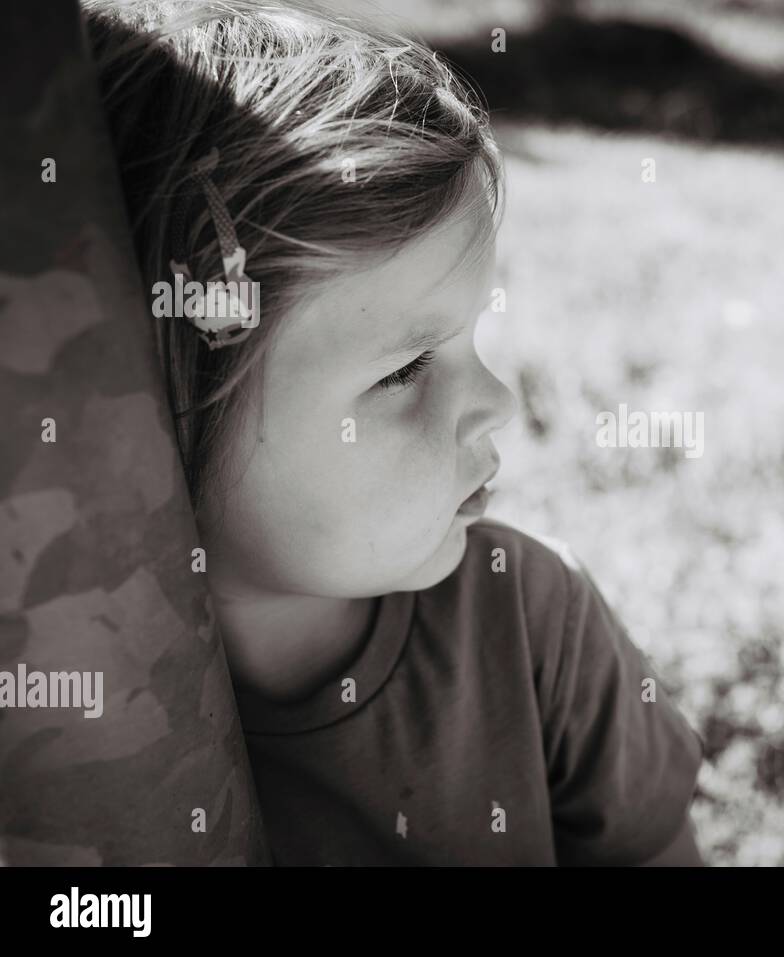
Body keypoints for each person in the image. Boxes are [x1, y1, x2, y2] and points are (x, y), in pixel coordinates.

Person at [85, 0, 706, 865]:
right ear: (158, 413)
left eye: (468, 342)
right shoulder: (69, 711)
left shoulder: (533, 624)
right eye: (406, 368)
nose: (499, 404)